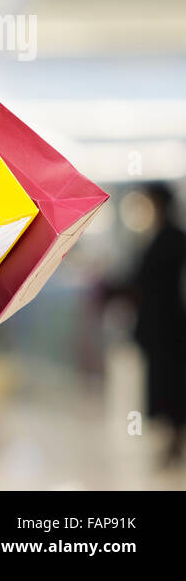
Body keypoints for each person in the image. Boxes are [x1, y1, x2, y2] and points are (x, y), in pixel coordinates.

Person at [128, 183, 186, 467]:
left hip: (170, 327)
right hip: (161, 326)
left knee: (172, 384)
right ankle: (172, 440)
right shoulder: (159, 237)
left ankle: (175, 439)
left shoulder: (172, 239)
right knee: (165, 384)